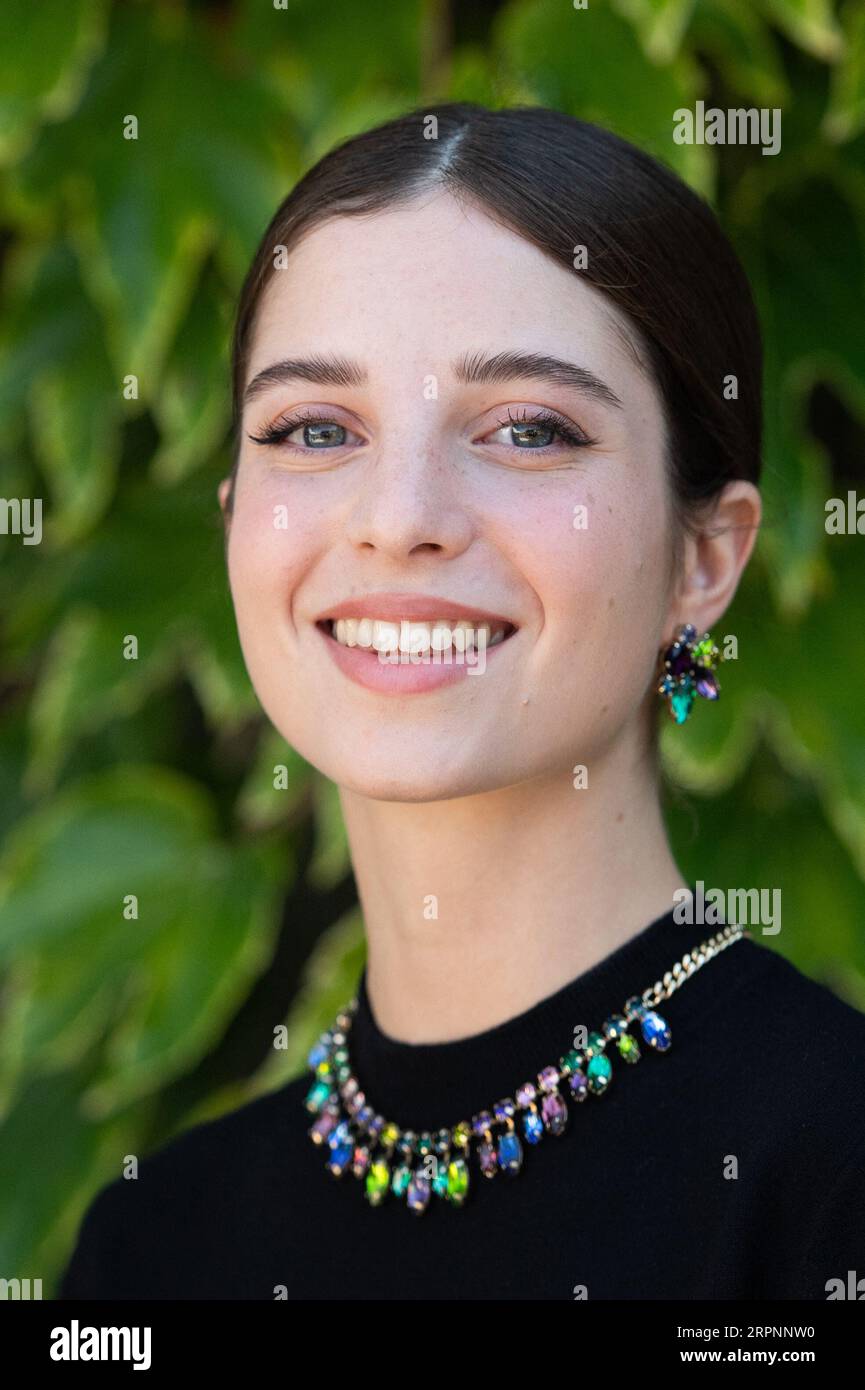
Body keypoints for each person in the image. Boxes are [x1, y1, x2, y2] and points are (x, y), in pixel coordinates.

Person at [58, 103, 865, 1301]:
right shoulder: (155, 1247)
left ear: (704, 558)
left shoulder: (827, 1178)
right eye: (315, 427)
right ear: (235, 520)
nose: (399, 516)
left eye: (529, 429)